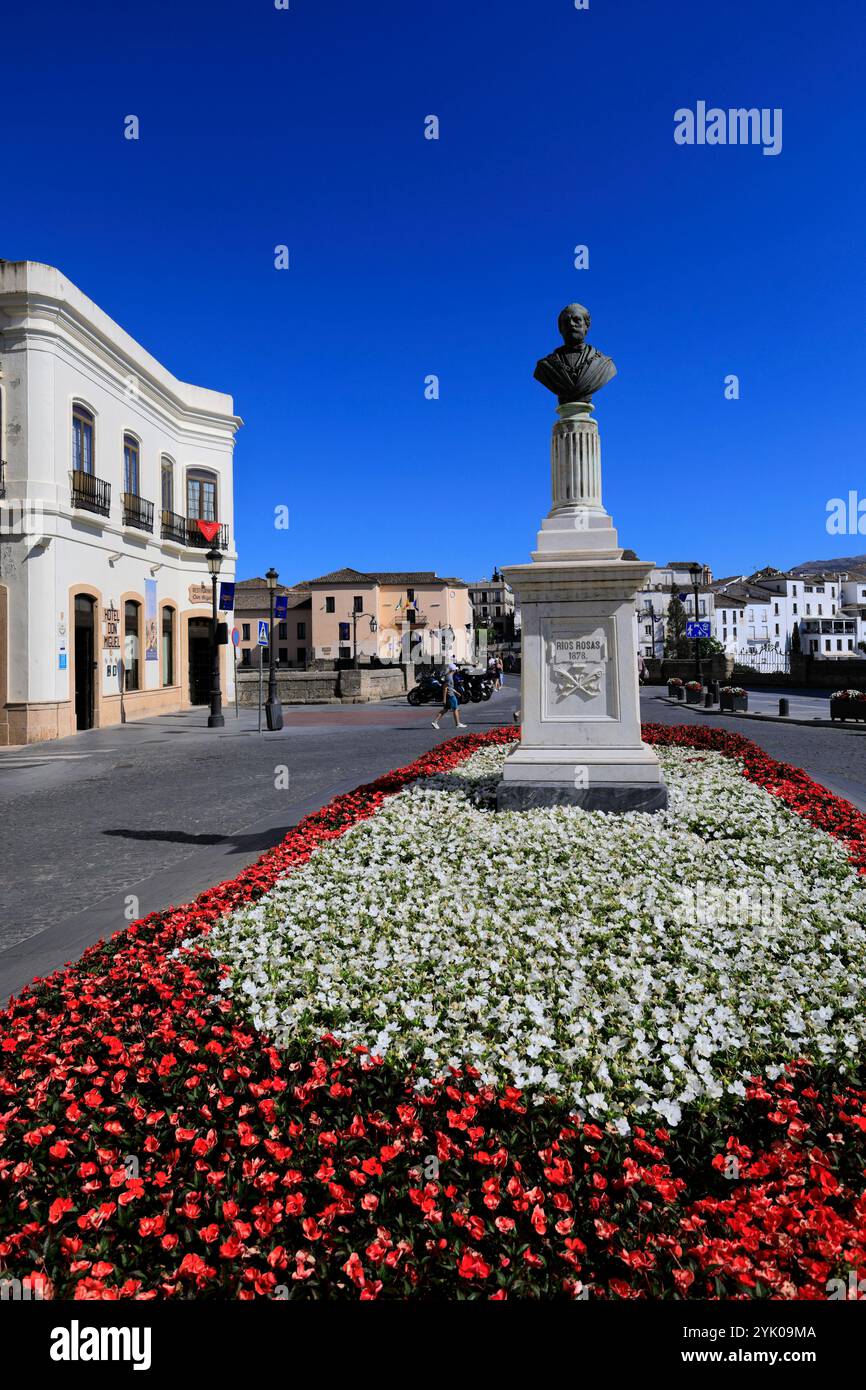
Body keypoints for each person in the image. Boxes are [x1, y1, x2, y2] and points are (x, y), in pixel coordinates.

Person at [432, 665, 467, 731]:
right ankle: (458, 724)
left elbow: (450, 687)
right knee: (455, 708)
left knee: (445, 709)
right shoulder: (449, 678)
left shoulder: (449, 676)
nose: (457, 670)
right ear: (453, 670)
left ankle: (435, 722)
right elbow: (445, 688)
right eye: (456, 669)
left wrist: (456, 692)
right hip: (450, 695)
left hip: (451, 694)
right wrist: (444, 699)